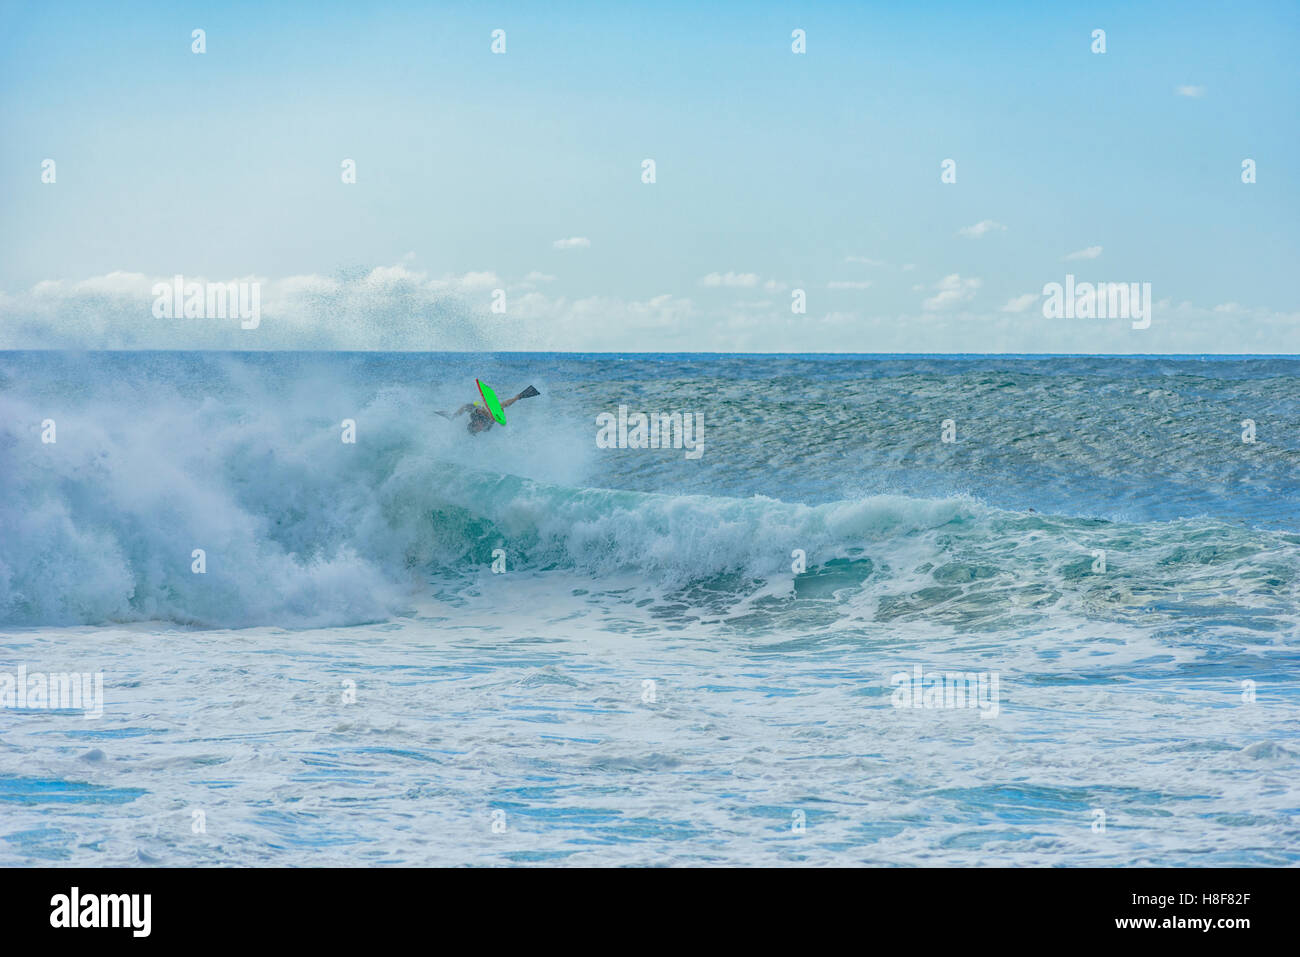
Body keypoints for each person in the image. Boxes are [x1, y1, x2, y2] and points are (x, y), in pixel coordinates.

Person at [452, 385, 538, 434]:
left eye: (478, 427)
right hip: (491, 412)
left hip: (478, 405)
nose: (480, 428)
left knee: (468, 407)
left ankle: (454, 416)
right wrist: (499, 419)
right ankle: (519, 396)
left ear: (475, 423)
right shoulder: (486, 428)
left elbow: (471, 408)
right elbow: (499, 419)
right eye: (479, 430)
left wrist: (486, 411)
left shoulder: (474, 416)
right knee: (501, 408)